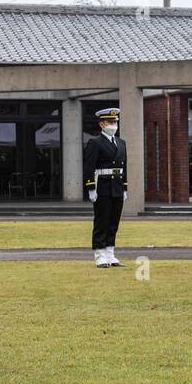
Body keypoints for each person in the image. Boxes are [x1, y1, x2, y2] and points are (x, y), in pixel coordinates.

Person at [84, 107, 127, 267]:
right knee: (102, 221)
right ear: (102, 125)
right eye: (110, 122)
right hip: (102, 186)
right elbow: (89, 166)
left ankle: (110, 254)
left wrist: (125, 188)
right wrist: (91, 187)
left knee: (113, 222)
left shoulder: (121, 143)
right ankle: (99, 254)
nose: (114, 125)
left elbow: (124, 168)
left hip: (116, 186)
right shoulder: (95, 142)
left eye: (115, 121)